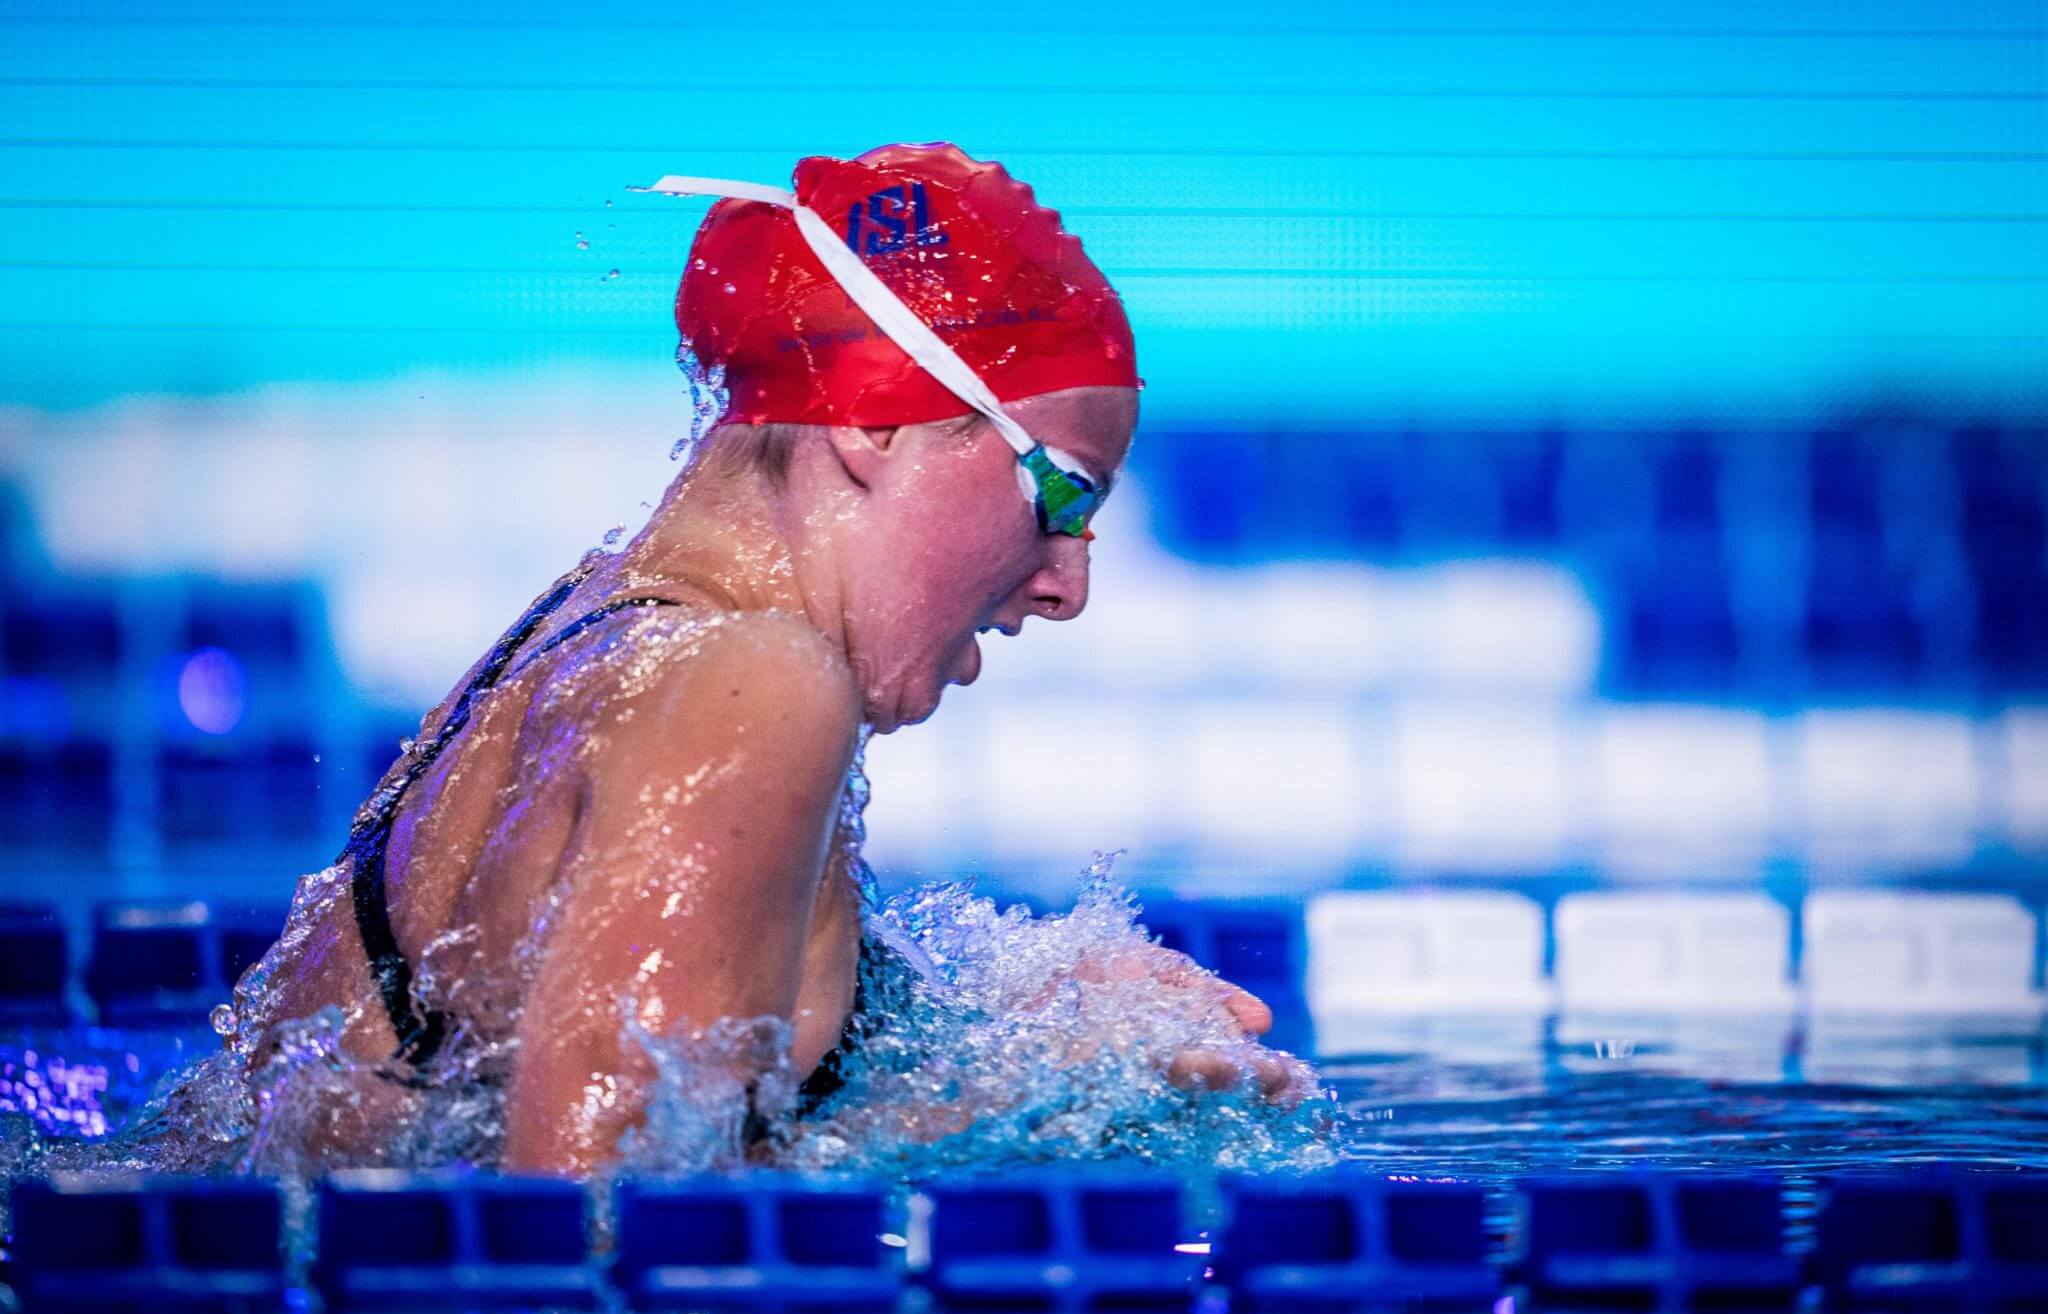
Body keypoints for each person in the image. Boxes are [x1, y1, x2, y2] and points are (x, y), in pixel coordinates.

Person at [223, 142, 1314, 1176]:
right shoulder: (750, 685)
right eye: (1063, 494)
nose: (1068, 586)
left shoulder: (596, 629)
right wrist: (1046, 1099)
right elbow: (586, 1214)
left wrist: (1005, 1027)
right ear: (876, 422)